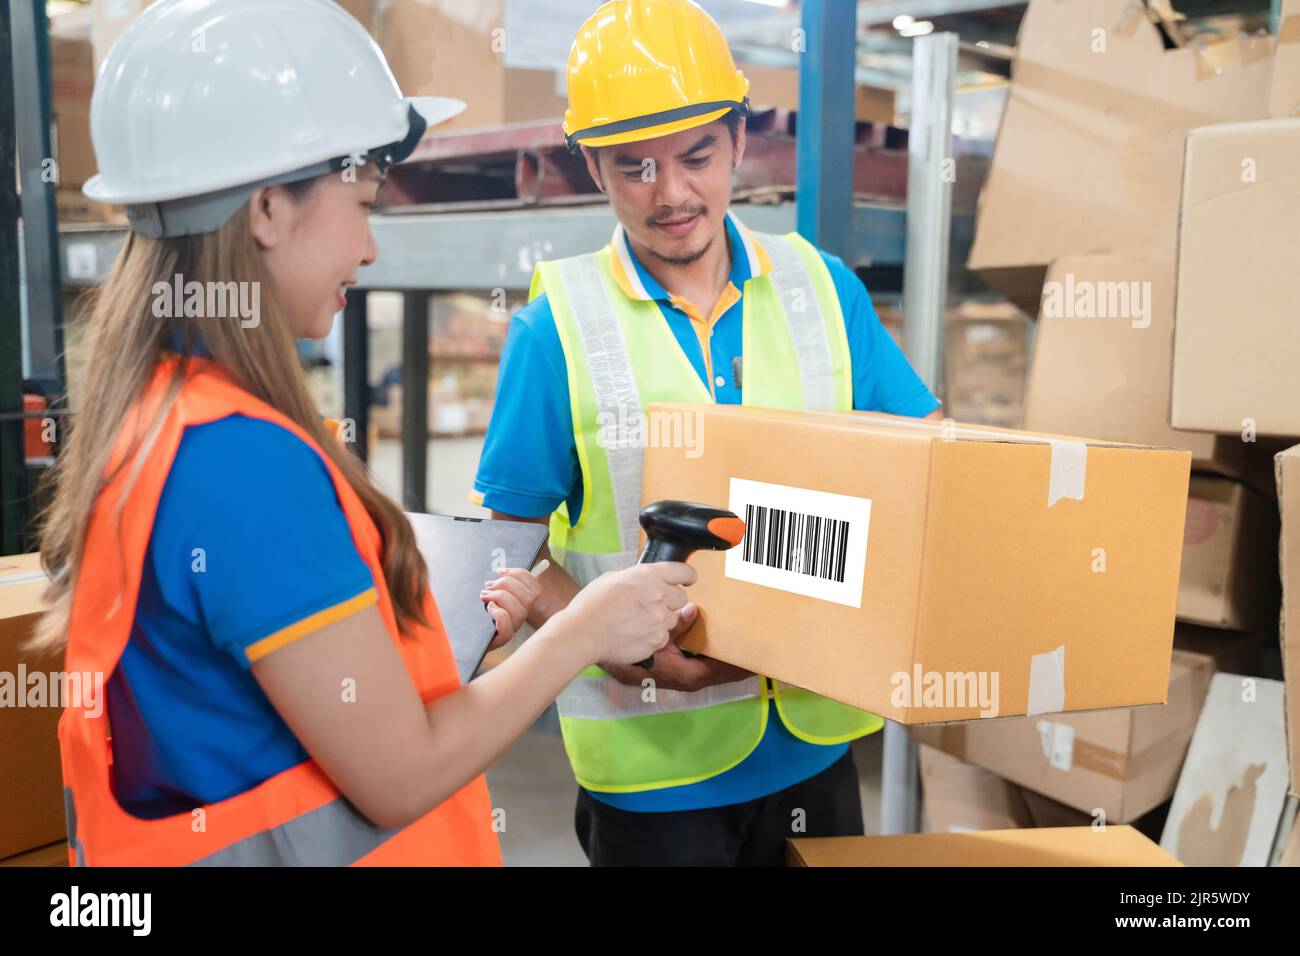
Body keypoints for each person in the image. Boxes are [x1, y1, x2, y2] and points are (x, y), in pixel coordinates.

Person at [32, 0, 692, 867]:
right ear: (267, 210)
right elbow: (399, 773)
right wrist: (585, 630)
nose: (373, 247)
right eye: (363, 202)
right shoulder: (241, 464)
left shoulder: (163, 412)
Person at [474, 0, 943, 866]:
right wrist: (613, 647)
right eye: (635, 168)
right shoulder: (556, 327)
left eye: (696, 156)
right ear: (593, 169)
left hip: (814, 738)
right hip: (654, 773)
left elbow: (924, 459)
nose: (673, 194)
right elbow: (506, 553)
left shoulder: (821, 289)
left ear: (738, 138)